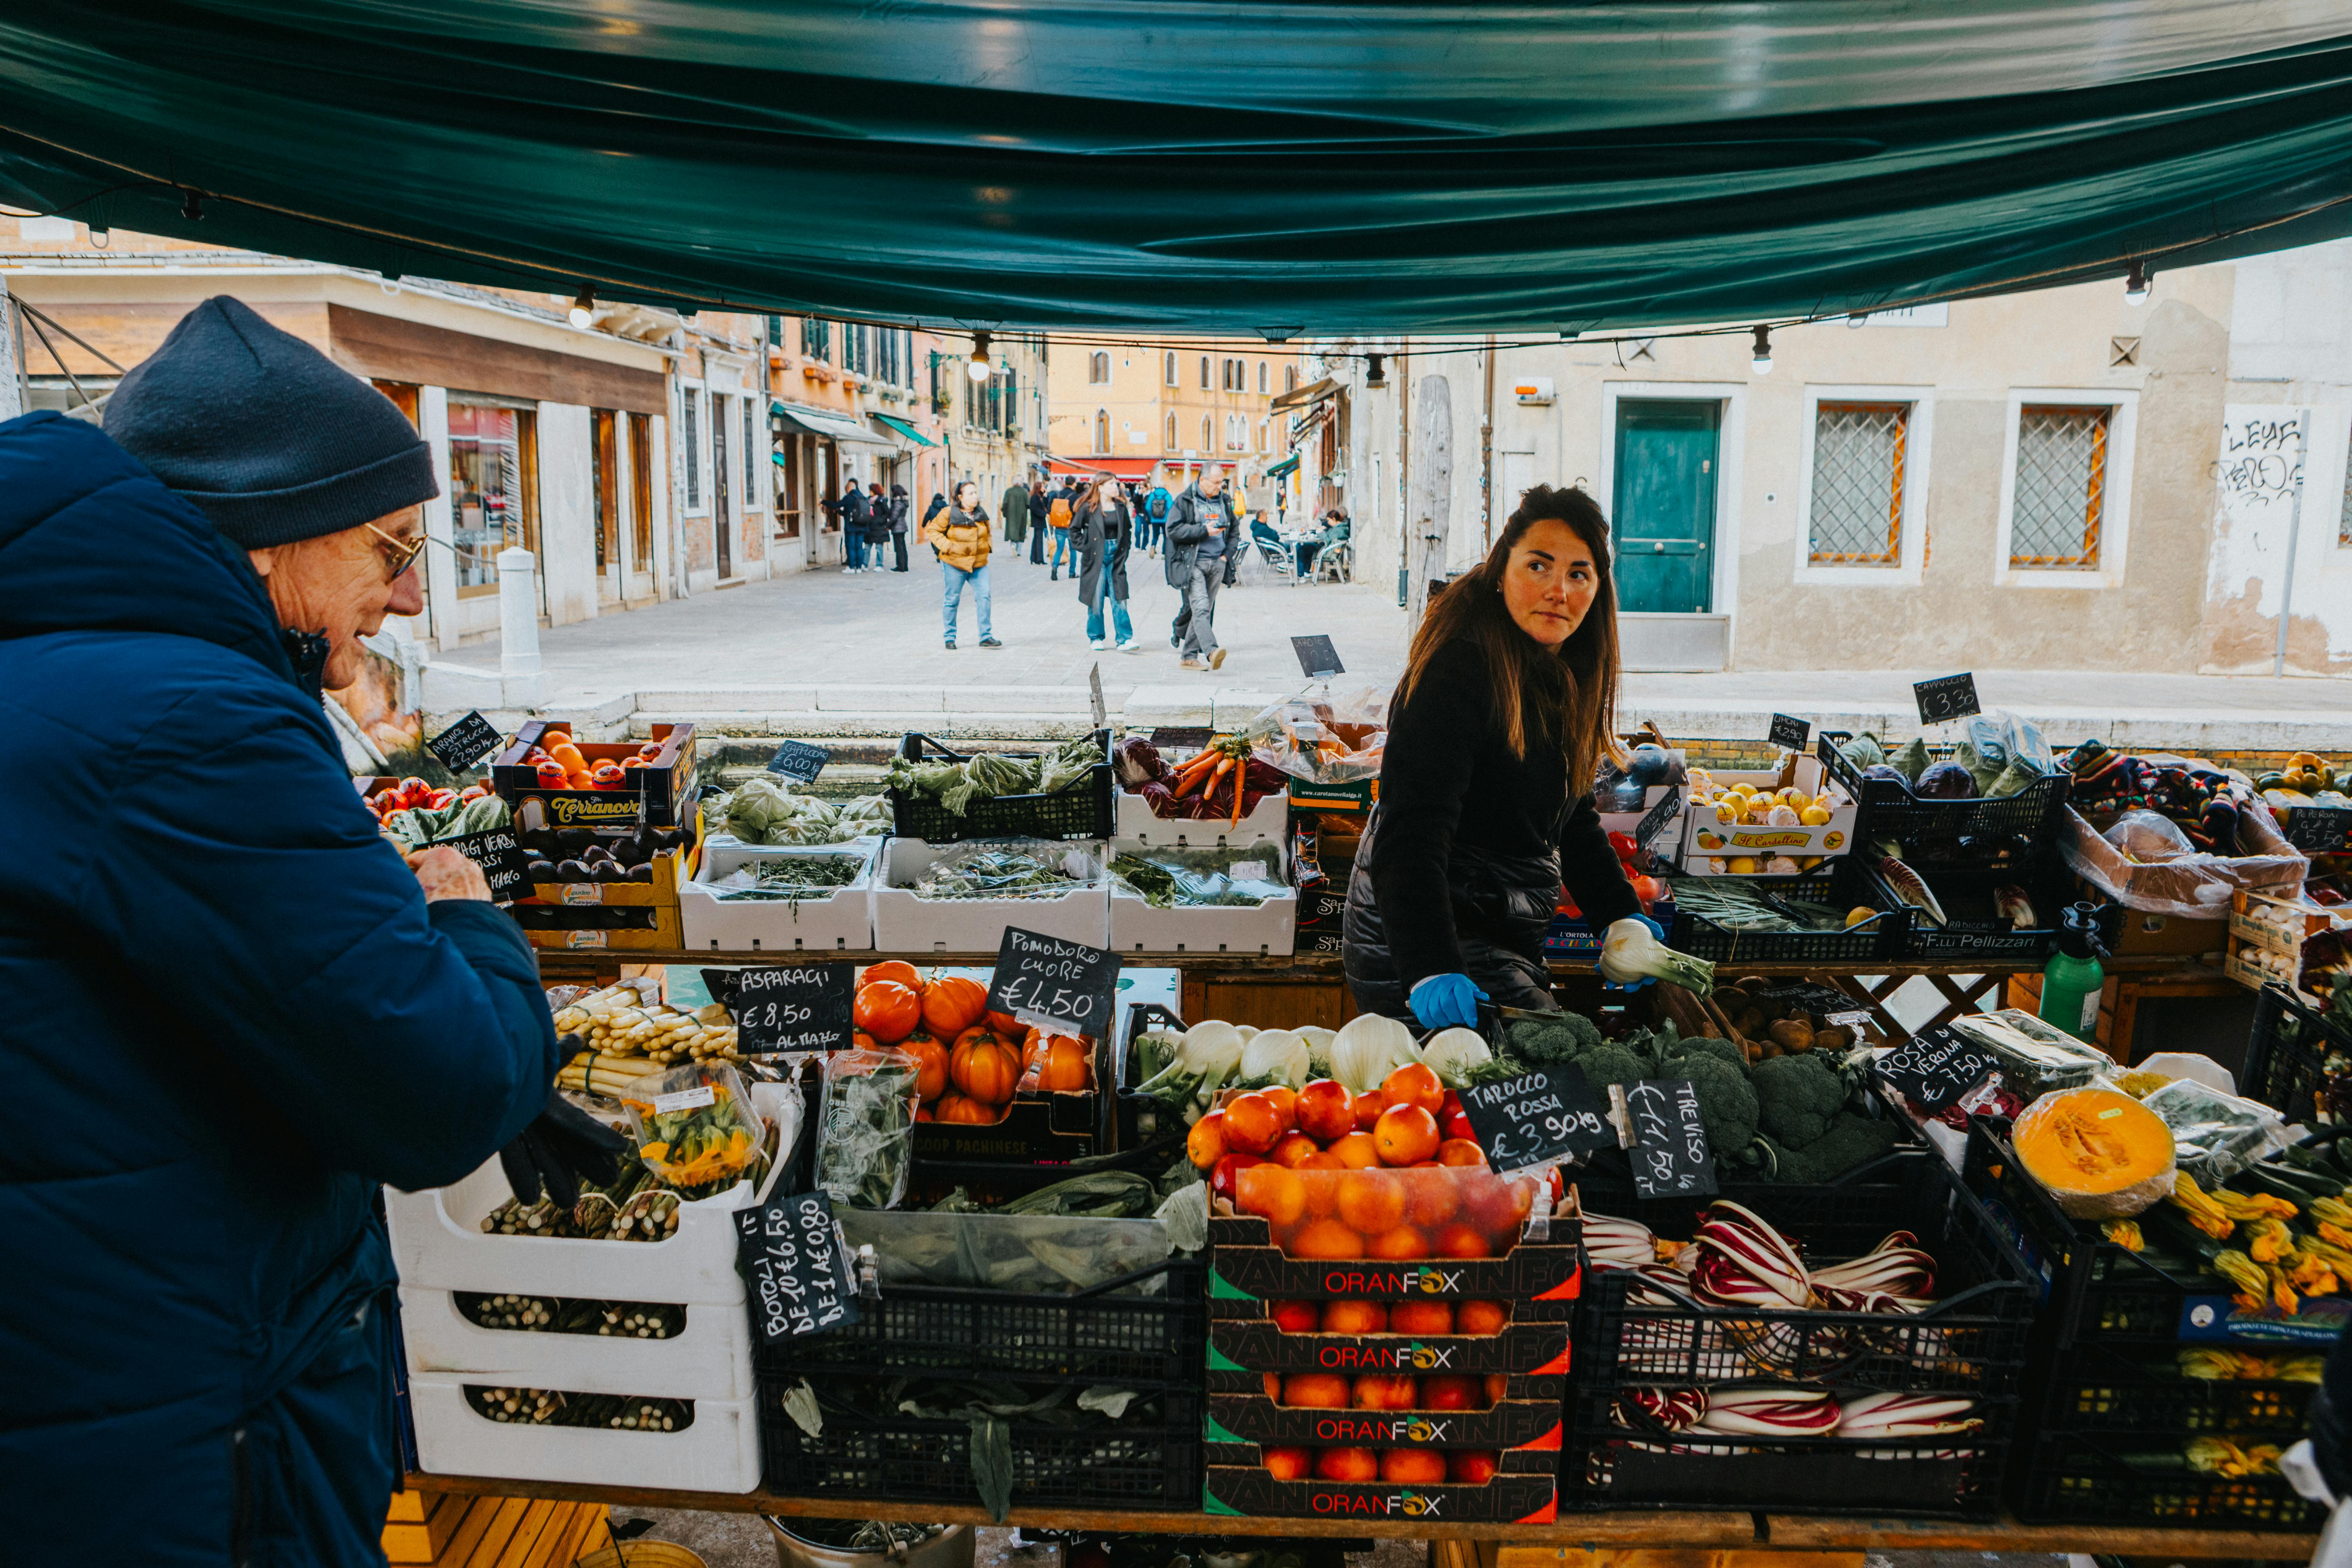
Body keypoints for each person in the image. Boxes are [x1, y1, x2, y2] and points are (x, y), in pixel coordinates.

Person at [0, 297, 601, 1566]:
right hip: (176, 1420)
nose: (403, 594)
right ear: (273, 534)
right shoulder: (188, 722)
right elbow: (440, 1091)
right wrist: (466, 921)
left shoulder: (56, 665)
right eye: (387, 550)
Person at [1341, 484, 1648, 1026]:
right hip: (1419, 941)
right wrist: (1430, 965)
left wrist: (1619, 916)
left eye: (1579, 574)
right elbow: (1410, 830)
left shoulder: (1559, 672)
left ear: (1598, 590)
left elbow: (1569, 813)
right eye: (1539, 566)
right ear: (1502, 569)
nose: (1558, 589)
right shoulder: (1458, 671)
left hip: (1493, 925)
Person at [1163, 466, 1240, 670]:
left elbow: (1234, 530)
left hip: (1218, 563)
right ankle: (1212, 651)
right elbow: (1173, 530)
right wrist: (1202, 530)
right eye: (1215, 483)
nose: (1220, 486)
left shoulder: (1224, 500)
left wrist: (1226, 557)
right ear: (1202, 480)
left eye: (1221, 482)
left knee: (1204, 611)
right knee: (1200, 608)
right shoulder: (1185, 500)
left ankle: (1188, 657)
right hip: (1193, 563)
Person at [925, 479, 1001, 650]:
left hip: (979, 564)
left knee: (984, 596)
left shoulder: (981, 513)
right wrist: (948, 547)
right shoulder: (948, 513)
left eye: (976, 493)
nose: (975, 497)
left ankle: (986, 636)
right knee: (952, 600)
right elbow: (933, 530)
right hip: (954, 563)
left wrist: (988, 546)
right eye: (971, 494)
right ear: (960, 497)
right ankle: (950, 637)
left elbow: (987, 532)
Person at [1073, 470, 1137, 651]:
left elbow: (1128, 531)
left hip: (1116, 556)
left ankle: (1125, 639)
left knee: (1120, 598)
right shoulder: (1088, 508)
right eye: (1111, 484)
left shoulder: (1121, 508)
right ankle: (1096, 637)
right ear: (1100, 487)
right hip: (1096, 558)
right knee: (1096, 598)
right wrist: (1086, 548)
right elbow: (1074, 531)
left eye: (1116, 484)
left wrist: (1126, 550)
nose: (1116, 487)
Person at [1045, 478, 1077, 580]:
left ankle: (1055, 567)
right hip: (1071, 527)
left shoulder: (1056, 495)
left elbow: (1049, 509)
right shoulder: (1075, 497)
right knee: (1073, 550)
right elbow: (1077, 513)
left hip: (1059, 527)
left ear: (1065, 483)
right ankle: (1072, 572)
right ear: (1074, 484)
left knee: (1059, 549)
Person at [838, 478, 870, 572]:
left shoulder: (849, 498)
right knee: (859, 547)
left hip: (851, 527)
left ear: (849, 489)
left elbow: (837, 505)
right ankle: (859, 568)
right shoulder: (863, 497)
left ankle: (852, 567)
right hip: (862, 526)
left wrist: (824, 502)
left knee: (851, 547)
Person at [1140, 468, 1173, 556]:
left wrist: (1152, 515)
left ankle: (1153, 547)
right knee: (1166, 536)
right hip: (1165, 519)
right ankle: (1164, 553)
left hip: (1155, 519)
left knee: (1155, 535)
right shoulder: (1167, 495)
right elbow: (1171, 507)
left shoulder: (1153, 495)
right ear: (1165, 487)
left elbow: (1147, 507)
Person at [886, 483, 912, 571]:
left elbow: (894, 517)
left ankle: (901, 567)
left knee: (899, 548)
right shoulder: (903, 502)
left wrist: (888, 525)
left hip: (897, 527)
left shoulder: (897, 503)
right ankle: (904, 566)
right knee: (902, 547)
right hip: (902, 526)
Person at [1000, 475, 1030, 547]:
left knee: (1012, 530)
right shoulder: (1025, 492)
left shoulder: (1009, 492)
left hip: (1011, 515)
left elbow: (1005, 504)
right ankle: (1019, 550)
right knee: (1021, 530)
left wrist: (1004, 512)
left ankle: (1013, 544)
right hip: (1022, 514)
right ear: (1021, 483)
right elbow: (1028, 504)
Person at [1028, 478, 1050, 565]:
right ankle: (1039, 559)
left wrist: (1045, 496)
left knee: (1037, 539)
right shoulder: (1035, 497)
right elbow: (1035, 509)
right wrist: (1044, 514)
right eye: (1043, 487)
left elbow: (1045, 505)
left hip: (1040, 521)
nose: (1044, 488)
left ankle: (1034, 558)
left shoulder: (1040, 497)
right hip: (1038, 521)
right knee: (1039, 540)